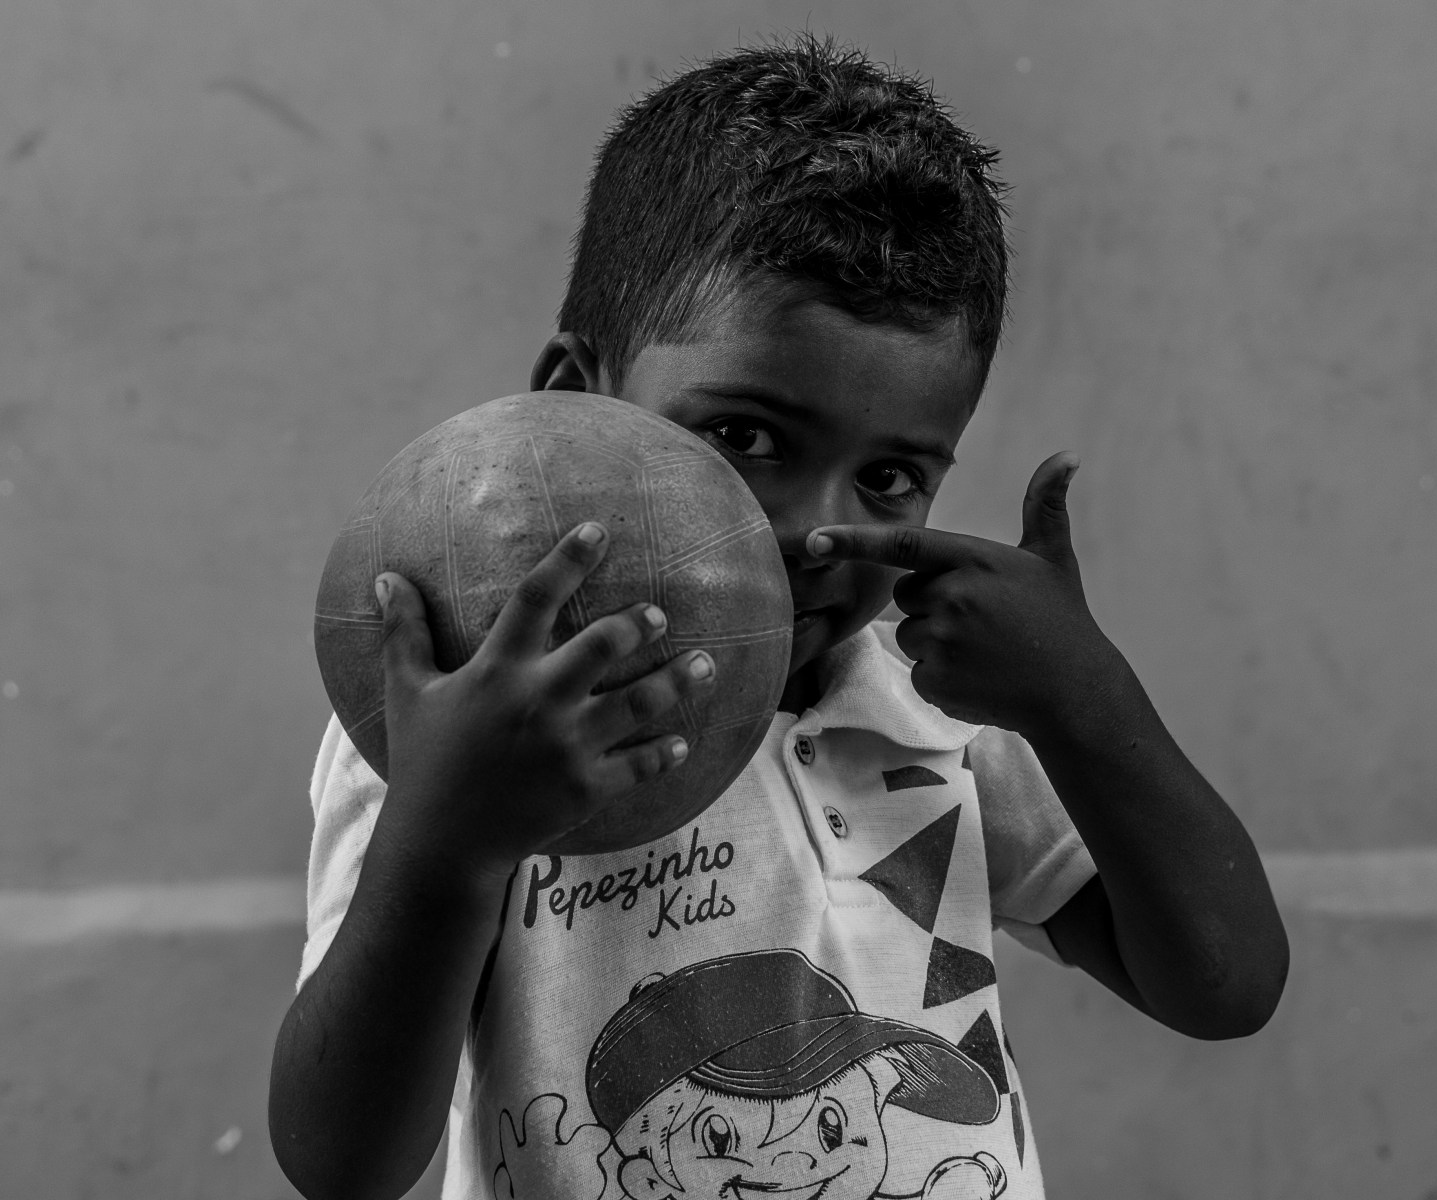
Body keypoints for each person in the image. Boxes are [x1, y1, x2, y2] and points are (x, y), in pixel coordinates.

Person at [269, 35, 1288, 1200]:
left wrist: (1084, 699)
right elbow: (339, 1163)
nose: (811, 530)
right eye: (745, 439)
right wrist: (450, 836)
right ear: (572, 399)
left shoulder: (929, 700)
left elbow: (1224, 985)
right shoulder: (476, 724)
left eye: (892, 476)